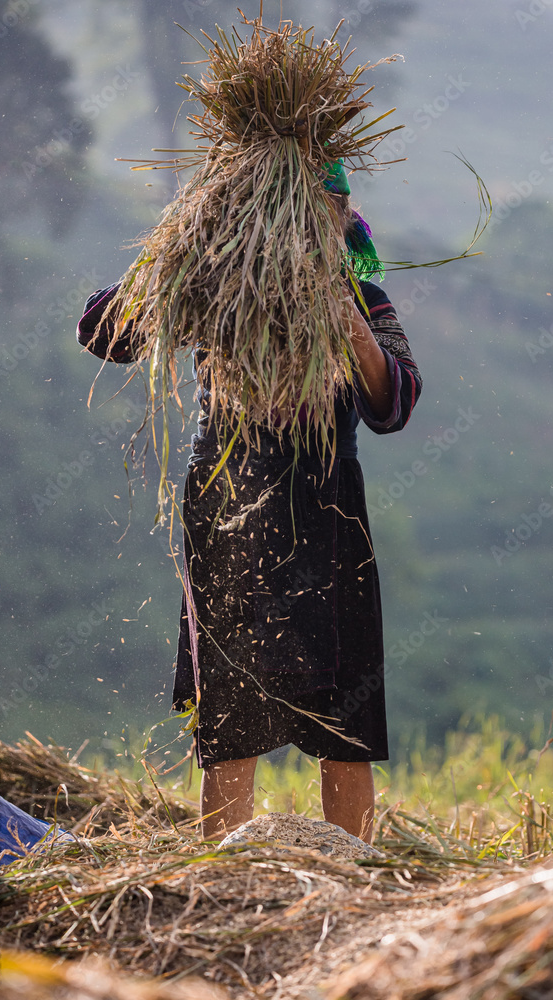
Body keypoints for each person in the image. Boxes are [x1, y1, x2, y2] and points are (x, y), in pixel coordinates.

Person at [77, 168, 422, 843]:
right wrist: (188, 246)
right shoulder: (217, 288)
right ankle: (225, 875)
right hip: (230, 496)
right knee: (231, 709)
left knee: (345, 715)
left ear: (341, 218)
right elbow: (102, 332)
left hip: (329, 506)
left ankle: (352, 869)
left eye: (322, 210)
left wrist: (343, 316)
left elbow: (395, 403)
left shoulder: (364, 298)